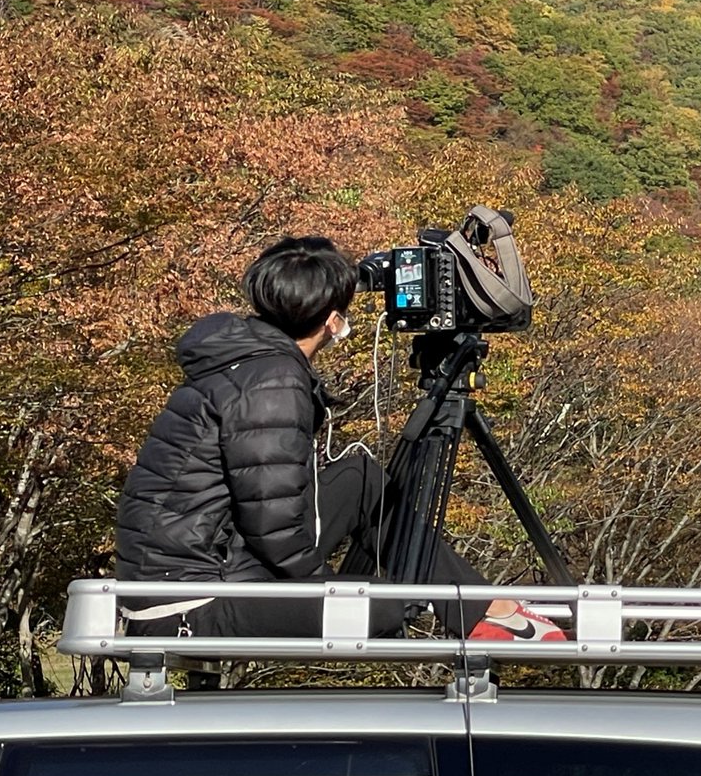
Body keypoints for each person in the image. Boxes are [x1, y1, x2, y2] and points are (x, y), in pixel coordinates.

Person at [114, 236, 562, 641]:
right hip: (188, 602)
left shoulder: (245, 357)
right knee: (386, 605)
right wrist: (326, 592)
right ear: (331, 321)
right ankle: (484, 614)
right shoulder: (273, 381)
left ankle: (484, 611)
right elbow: (275, 527)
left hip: (204, 566)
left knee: (360, 478)